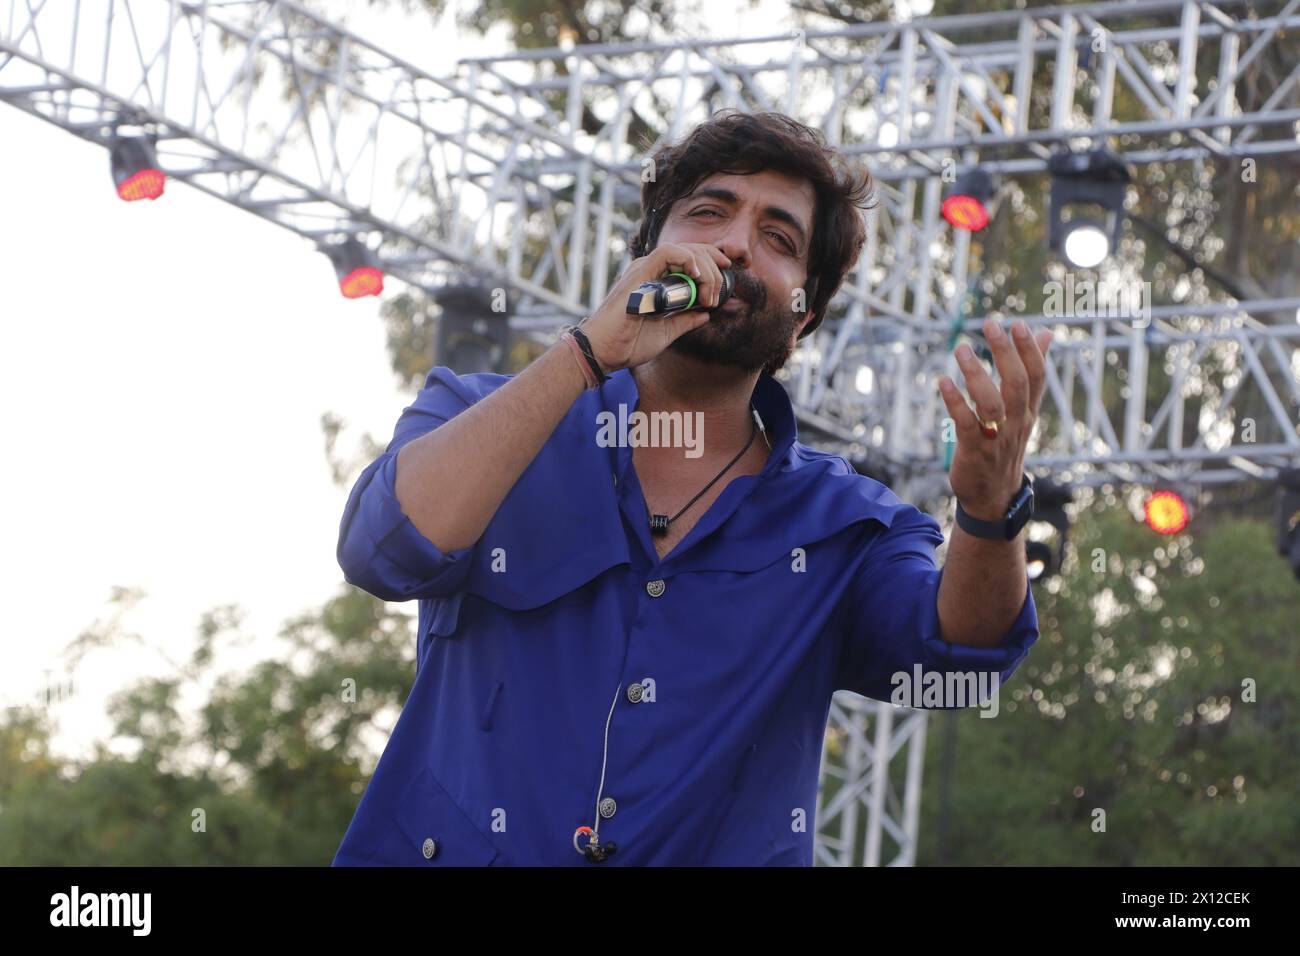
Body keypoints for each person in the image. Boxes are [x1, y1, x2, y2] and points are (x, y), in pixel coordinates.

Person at [330, 109, 1054, 866]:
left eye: (779, 239)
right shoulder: (481, 414)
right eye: (709, 213)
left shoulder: (848, 527)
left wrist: (991, 511)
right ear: (648, 249)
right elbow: (380, 549)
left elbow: (961, 657)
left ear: (803, 319)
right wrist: (585, 352)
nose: (736, 243)